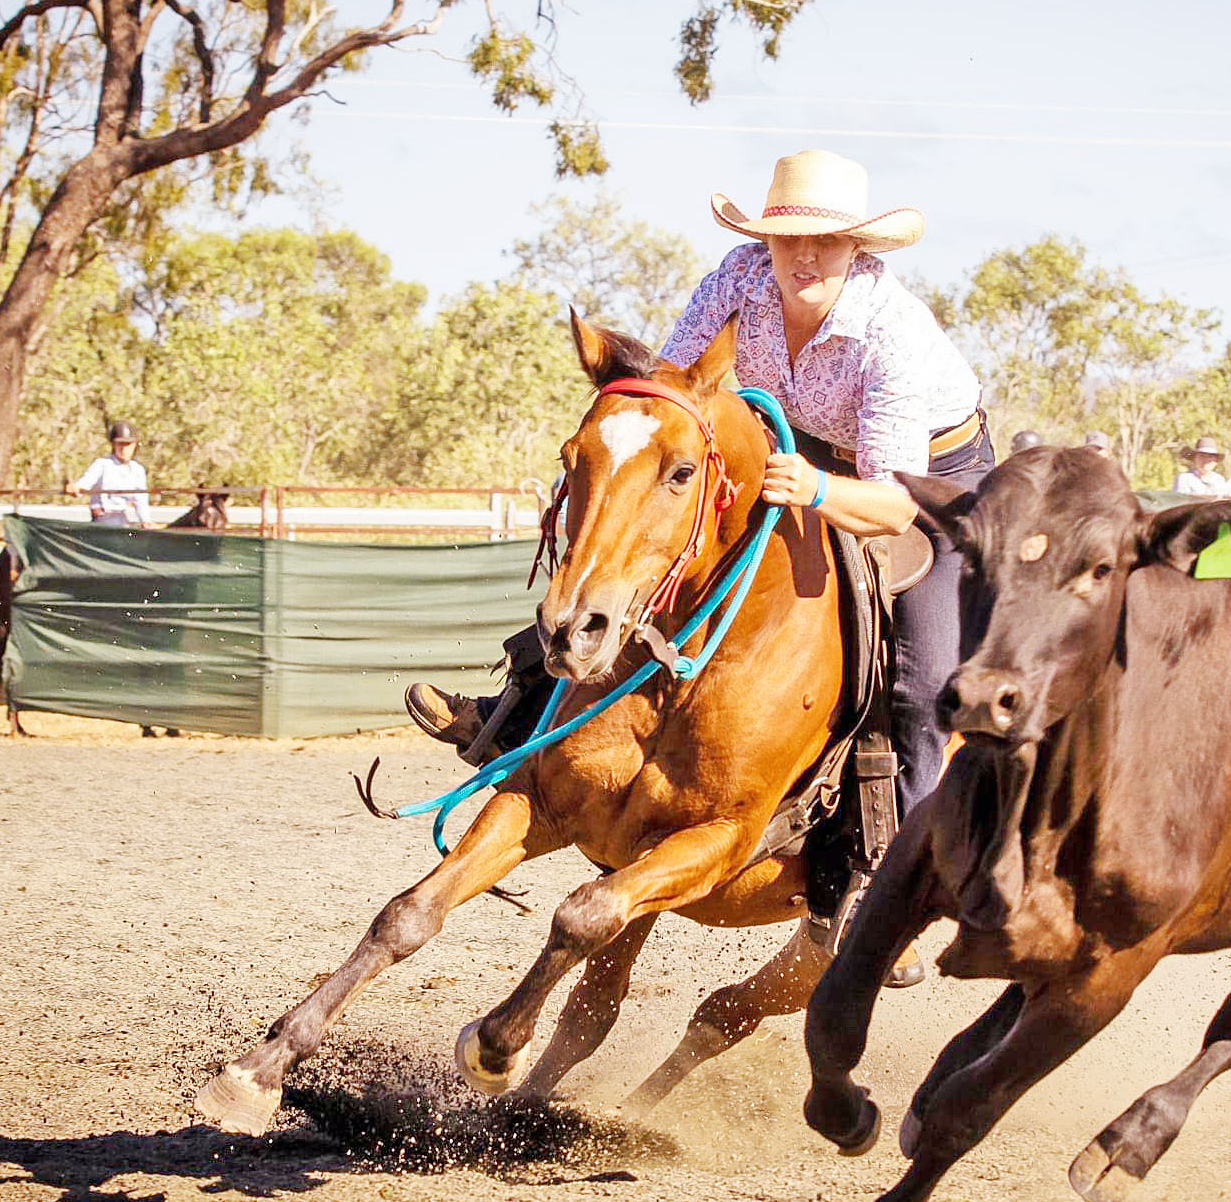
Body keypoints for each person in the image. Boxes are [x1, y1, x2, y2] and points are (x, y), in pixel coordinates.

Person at [406, 149, 993, 888]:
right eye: (788, 238)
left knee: (924, 672)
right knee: (654, 549)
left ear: (856, 247)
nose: (804, 255)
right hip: (799, 444)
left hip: (928, 475)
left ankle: (901, 878)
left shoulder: (891, 333)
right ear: (766, 241)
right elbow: (669, 389)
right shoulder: (738, 277)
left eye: (825, 240)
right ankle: (515, 713)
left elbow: (892, 502)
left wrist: (814, 488)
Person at [66, 422, 153, 527]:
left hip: (122, 520)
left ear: (135, 445)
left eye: (128, 444)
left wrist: (145, 521)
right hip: (102, 522)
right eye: (120, 444)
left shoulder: (138, 470)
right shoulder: (102, 464)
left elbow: (141, 500)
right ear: (113, 444)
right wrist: (75, 488)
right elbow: (85, 483)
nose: (124, 449)